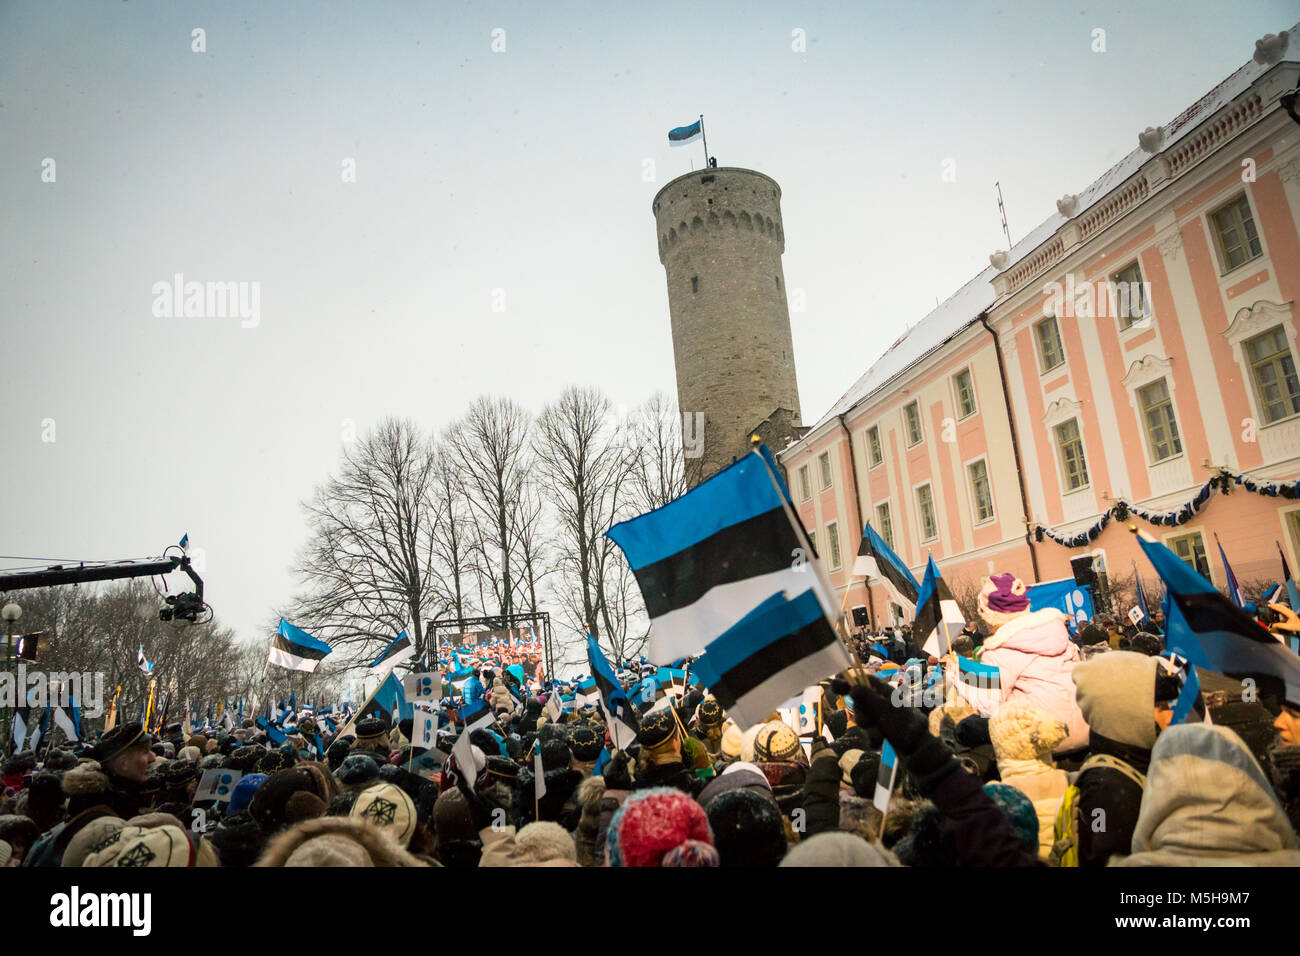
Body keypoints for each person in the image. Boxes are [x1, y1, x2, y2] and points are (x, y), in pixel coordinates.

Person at [976, 572, 1089, 754]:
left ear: (990, 616)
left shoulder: (997, 651)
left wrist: (961, 678)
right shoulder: (1058, 633)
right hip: (1086, 731)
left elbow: (987, 707)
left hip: (1043, 743)